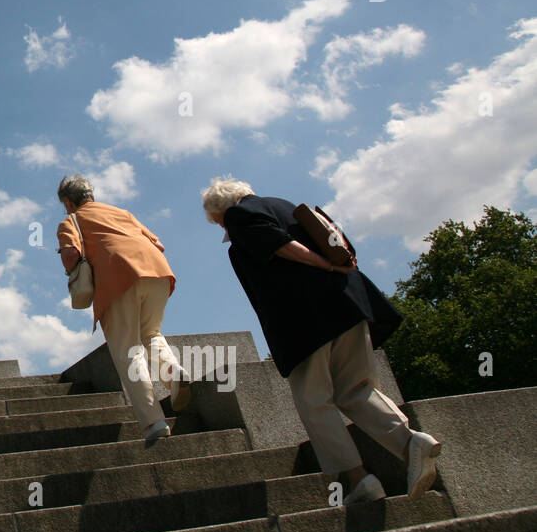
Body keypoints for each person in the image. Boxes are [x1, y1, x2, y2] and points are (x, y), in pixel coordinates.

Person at [200, 176, 442, 505]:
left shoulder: (240, 215)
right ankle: (410, 442)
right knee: (357, 389)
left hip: (305, 320)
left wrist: (324, 266)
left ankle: (358, 480)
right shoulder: (286, 205)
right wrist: (333, 267)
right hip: (348, 305)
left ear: (220, 210)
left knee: (314, 402)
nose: (222, 228)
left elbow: (278, 245)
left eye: (217, 222)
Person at [56, 174, 190, 442]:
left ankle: (154, 422)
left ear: (69, 202)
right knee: (151, 333)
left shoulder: (71, 220)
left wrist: (72, 268)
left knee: (128, 350)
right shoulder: (121, 212)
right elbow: (158, 244)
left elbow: (71, 255)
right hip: (157, 272)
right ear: (91, 195)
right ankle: (174, 374)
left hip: (118, 278)